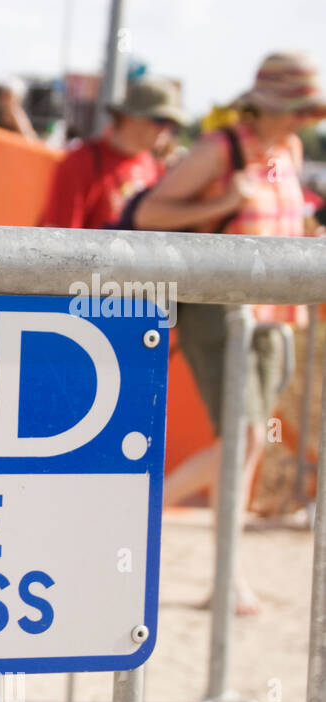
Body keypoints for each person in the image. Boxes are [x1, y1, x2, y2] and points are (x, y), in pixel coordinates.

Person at [135, 52, 326, 614]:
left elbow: (278, 220)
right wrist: (224, 198)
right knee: (240, 442)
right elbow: (150, 215)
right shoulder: (221, 149)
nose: (304, 121)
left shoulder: (287, 152)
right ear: (270, 105)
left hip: (273, 315)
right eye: (298, 109)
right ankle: (141, 513)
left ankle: (226, 578)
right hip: (221, 312)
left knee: (244, 450)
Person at [40, 78, 187, 230]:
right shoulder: (80, 161)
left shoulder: (155, 166)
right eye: (161, 120)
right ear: (129, 117)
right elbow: (63, 237)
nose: (166, 130)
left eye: (172, 124)